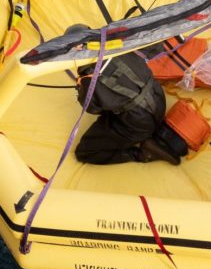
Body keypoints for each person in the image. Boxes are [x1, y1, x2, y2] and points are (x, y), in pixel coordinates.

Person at [70, 26, 187, 166]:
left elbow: (92, 108)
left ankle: (143, 153)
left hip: (137, 123)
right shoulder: (121, 41)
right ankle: (151, 133)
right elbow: (154, 49)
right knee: (119, 102)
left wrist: (81, 86)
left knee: (84, 152)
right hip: (160, 101)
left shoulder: (88, 78)